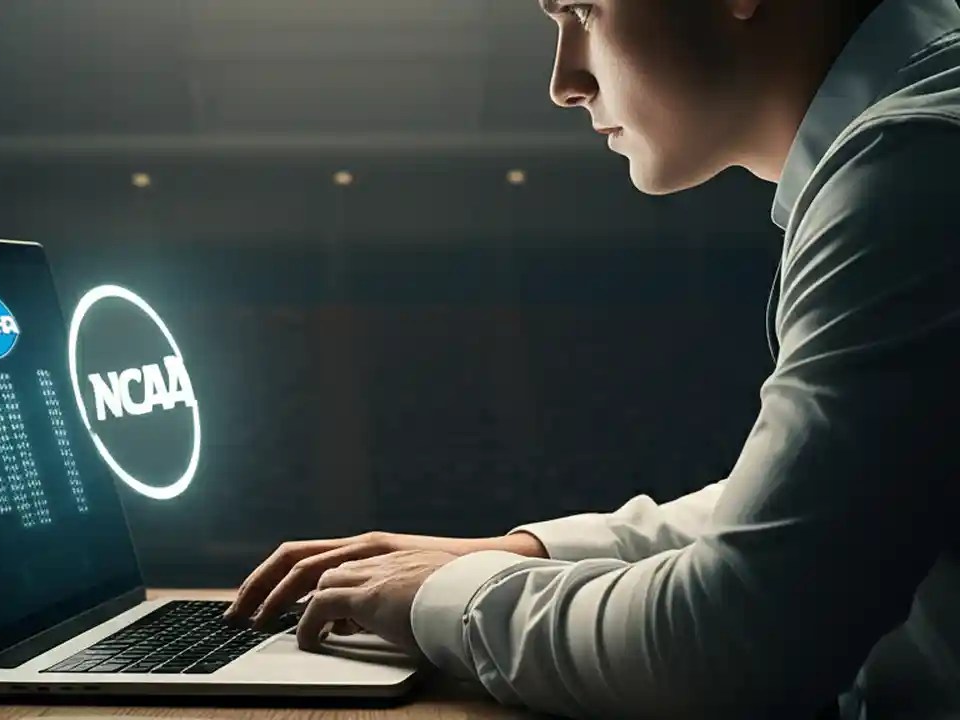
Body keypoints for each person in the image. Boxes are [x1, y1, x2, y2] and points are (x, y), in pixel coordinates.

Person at [221, 0, 960, 717]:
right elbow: (832, 505)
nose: (563, 81)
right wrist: (513, 551)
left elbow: (740, 635)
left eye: (580, 11)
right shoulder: (914, 134)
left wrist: (448, 596)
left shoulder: (913, 168)